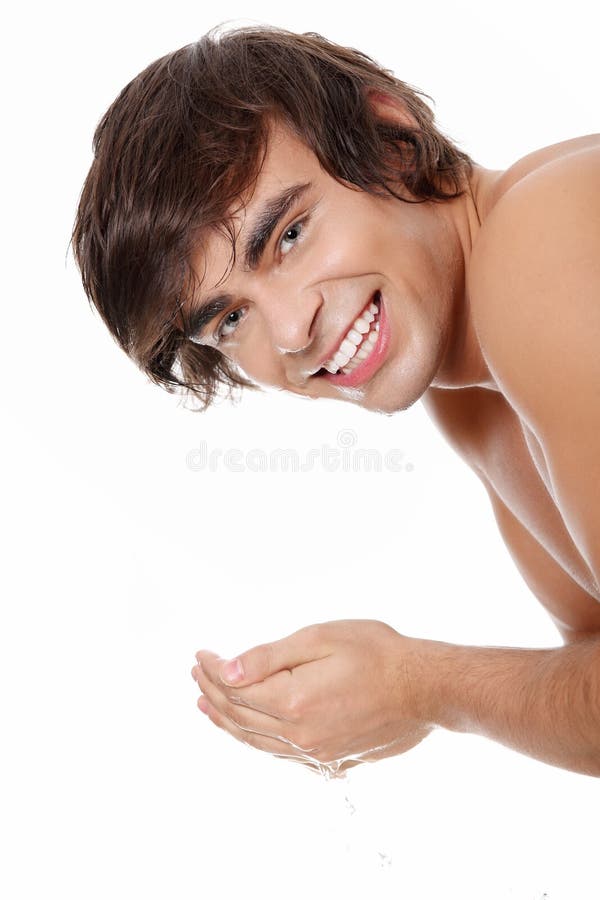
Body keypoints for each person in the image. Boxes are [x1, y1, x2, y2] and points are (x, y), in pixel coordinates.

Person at [72, 25, 600, 777]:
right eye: (231, 318)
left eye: (288, 236)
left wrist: (420, 686)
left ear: (392, 138)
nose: (290, 332)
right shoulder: (465, 388)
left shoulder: (538, 244)